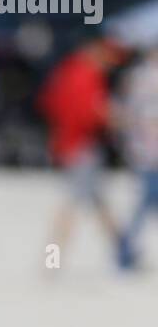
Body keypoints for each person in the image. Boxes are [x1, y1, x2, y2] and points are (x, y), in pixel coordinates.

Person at [36, 39, 124, 266]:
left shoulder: (66, 70)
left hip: (67, 144)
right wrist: (112, 118)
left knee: (98, 202)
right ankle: (52, 261)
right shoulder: (87, 75)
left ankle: (125, 254)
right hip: (81, 147)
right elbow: (89, 113)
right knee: (71, 208)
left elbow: (47, 102)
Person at [113, 46, 158, 268]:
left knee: (145, 203)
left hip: (141, 151)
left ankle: (125, 252)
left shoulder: (135, 77)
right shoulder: (146, 78)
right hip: (148, 153)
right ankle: (125, 253)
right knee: (145, 203)